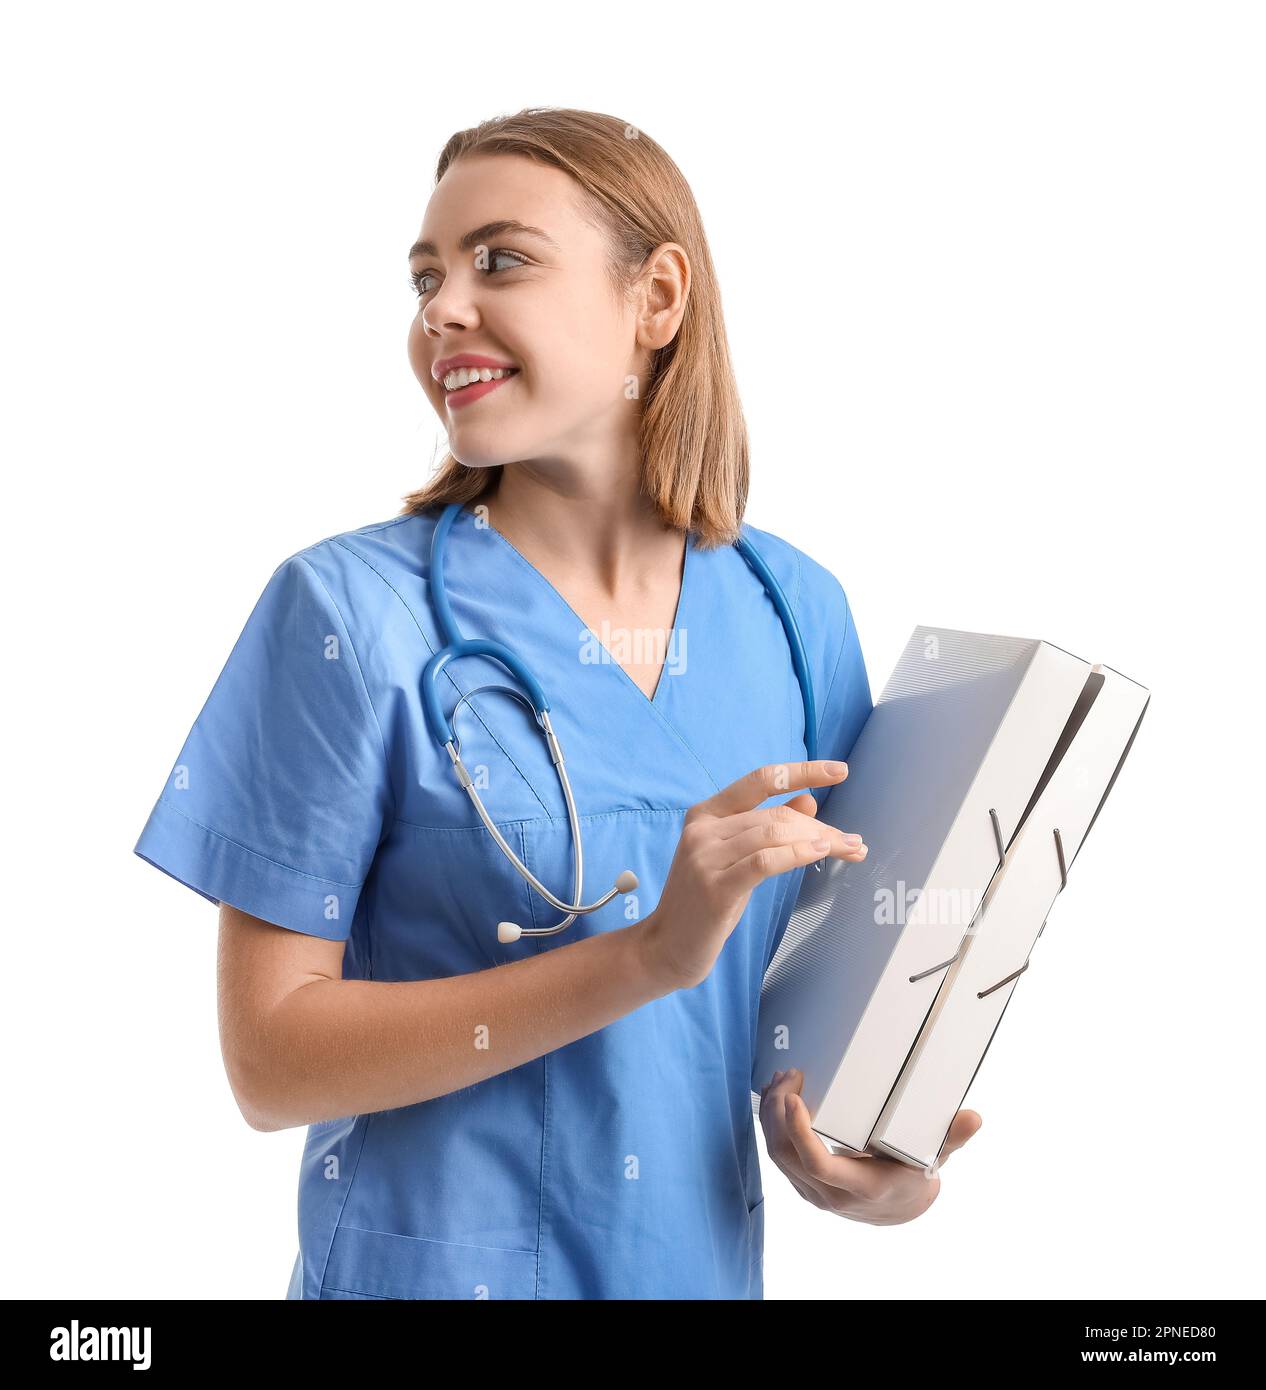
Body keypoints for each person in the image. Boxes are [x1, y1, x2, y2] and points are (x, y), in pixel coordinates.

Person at [133, 107, 980, 1301]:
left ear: (659, 299)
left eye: (501, 260)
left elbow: (830, 1029)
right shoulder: (347, 613)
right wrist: (645, 955)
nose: (442, 308)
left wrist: (892, 1168)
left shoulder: (794, 617)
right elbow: (268, 1061)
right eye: (426, 276)